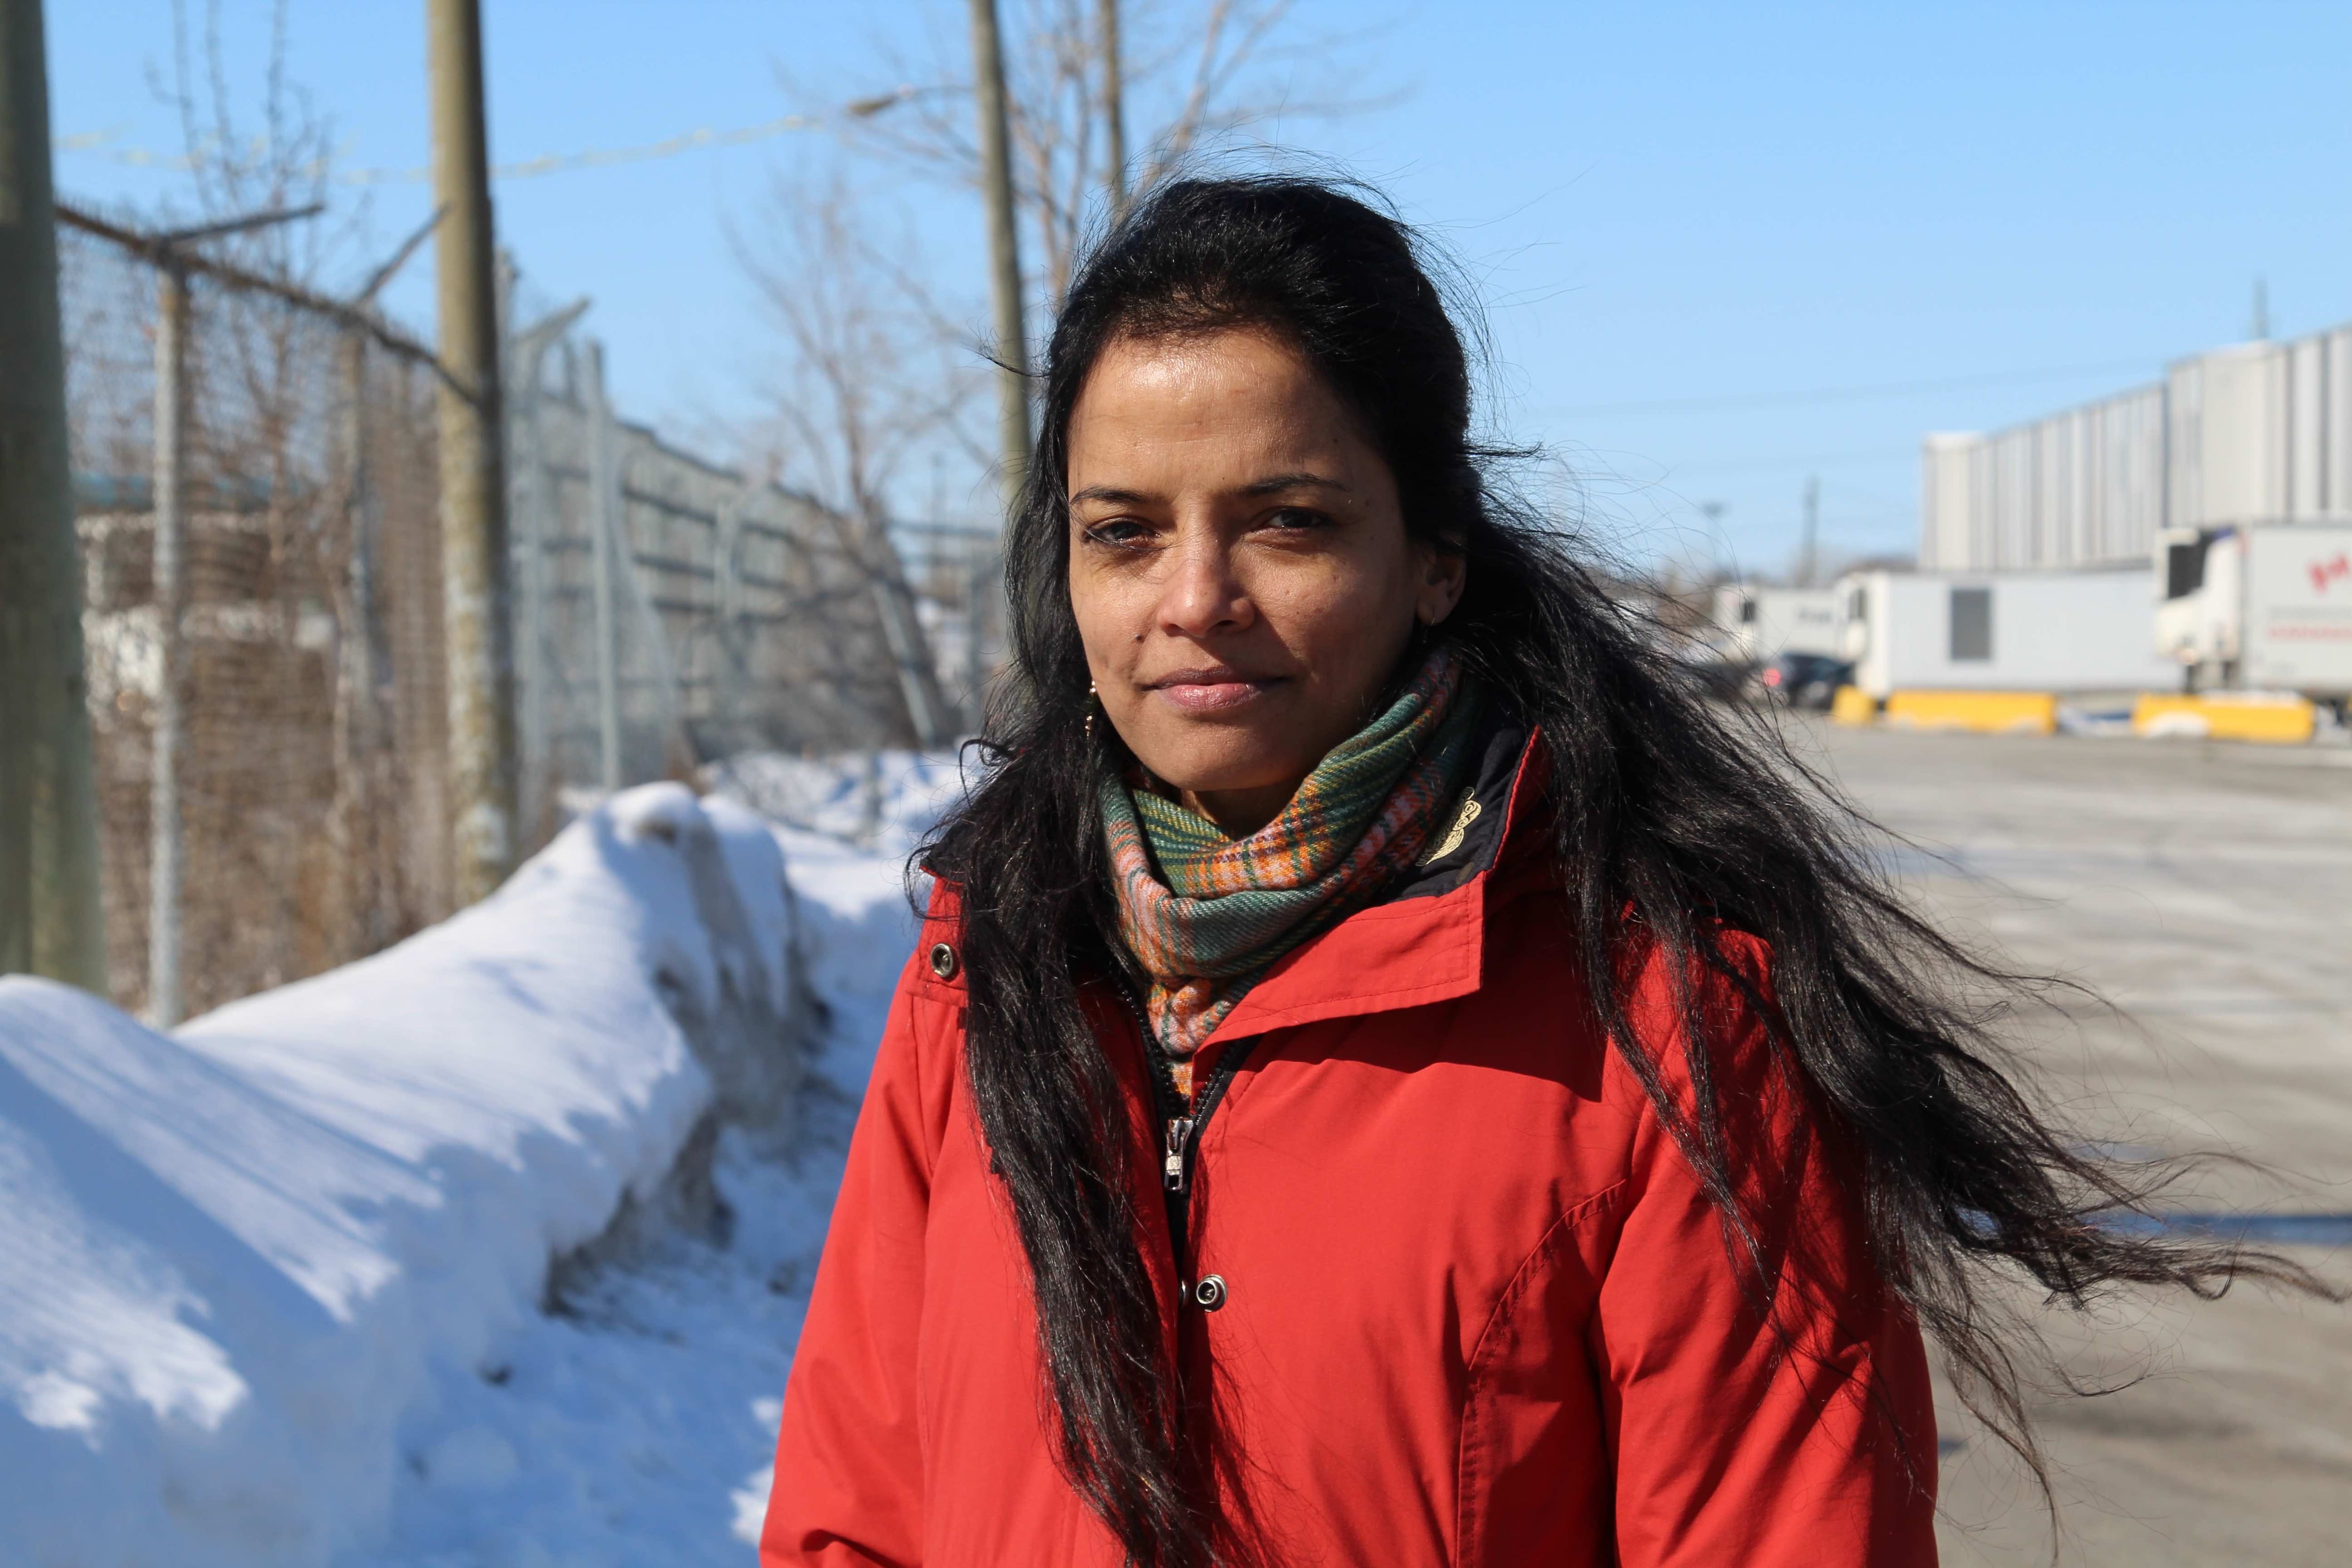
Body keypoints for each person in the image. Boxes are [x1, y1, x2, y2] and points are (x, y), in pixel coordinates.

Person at [760, 176, 2305, 1568]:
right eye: (1124, 533)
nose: (1195, 600)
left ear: (1435, 554)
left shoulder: (1669, 1027)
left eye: (1287, 523)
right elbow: (854, 1508)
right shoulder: (987, 960)